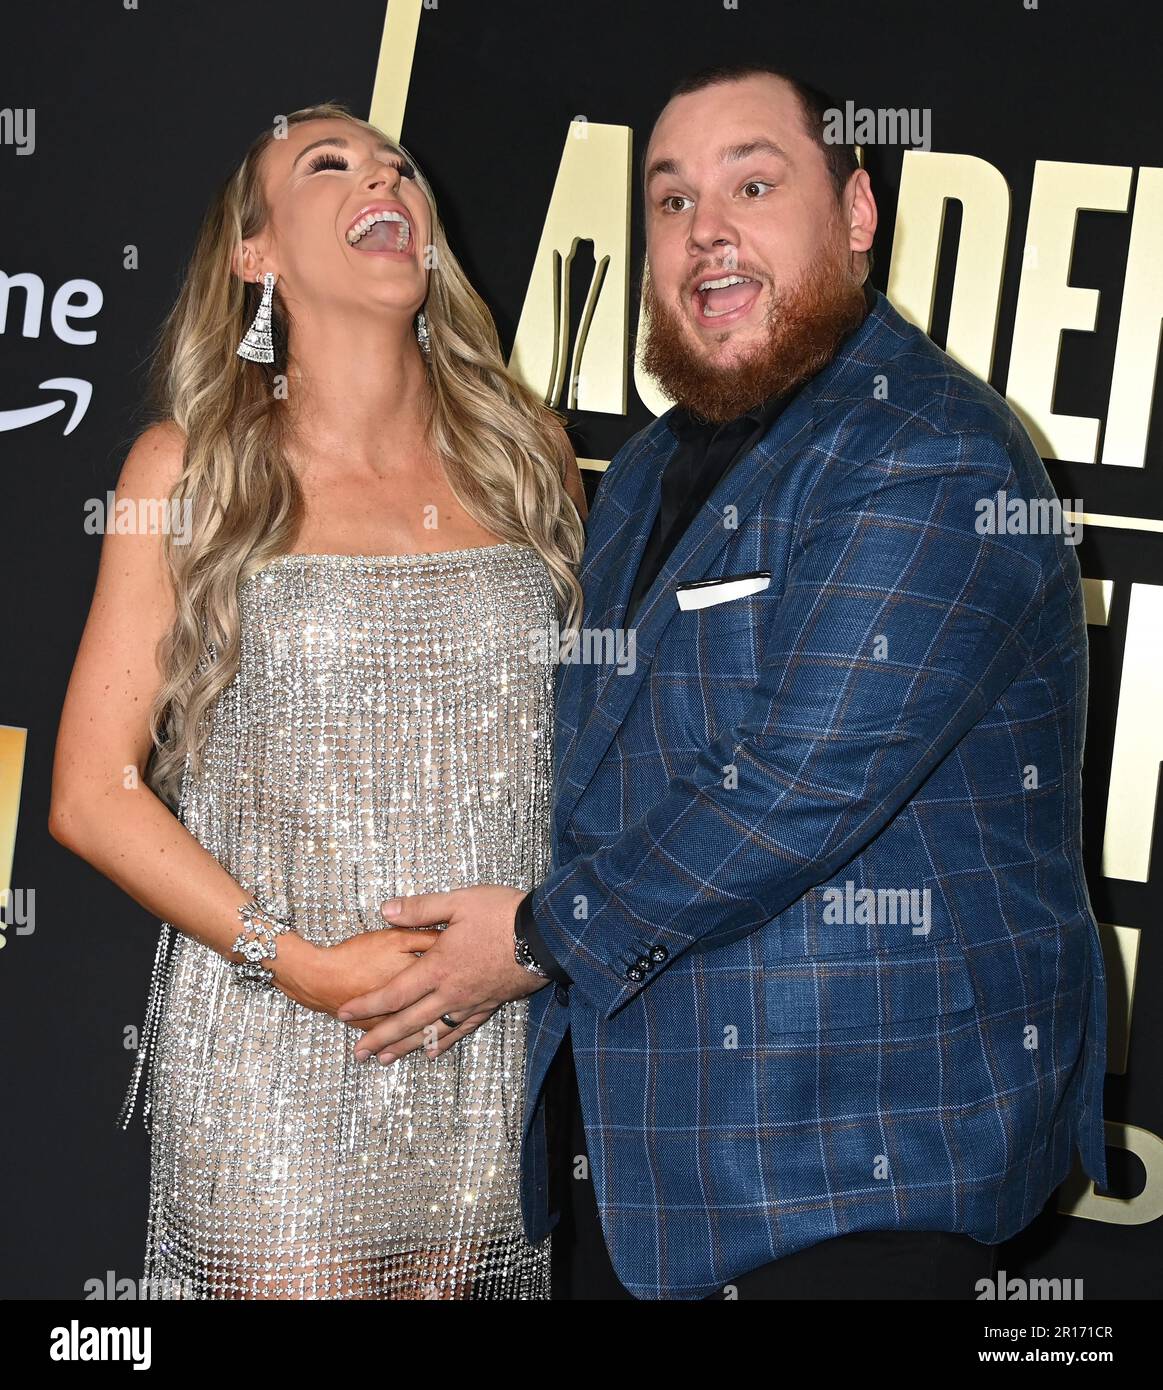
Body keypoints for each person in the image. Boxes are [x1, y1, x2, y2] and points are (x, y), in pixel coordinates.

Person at [333, 65, 1109, 1301]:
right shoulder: (640, 471)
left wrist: (531, 937)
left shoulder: (932, 450)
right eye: (672, 200)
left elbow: (795, 783)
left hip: (856, 1182)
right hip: (650, 1182)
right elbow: (587, 762)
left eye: (754, 183)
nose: (707, 233)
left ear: (856, 215)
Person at [48, 103, 586, 1300]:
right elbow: (90, 793)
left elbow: (584, 756)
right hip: (278, 1051)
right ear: (257, 253)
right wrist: (294, 962)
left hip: (482, 1041)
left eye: (396, 166)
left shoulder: (526, 453)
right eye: (326, 165)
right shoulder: (184, 470)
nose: (380, 179)